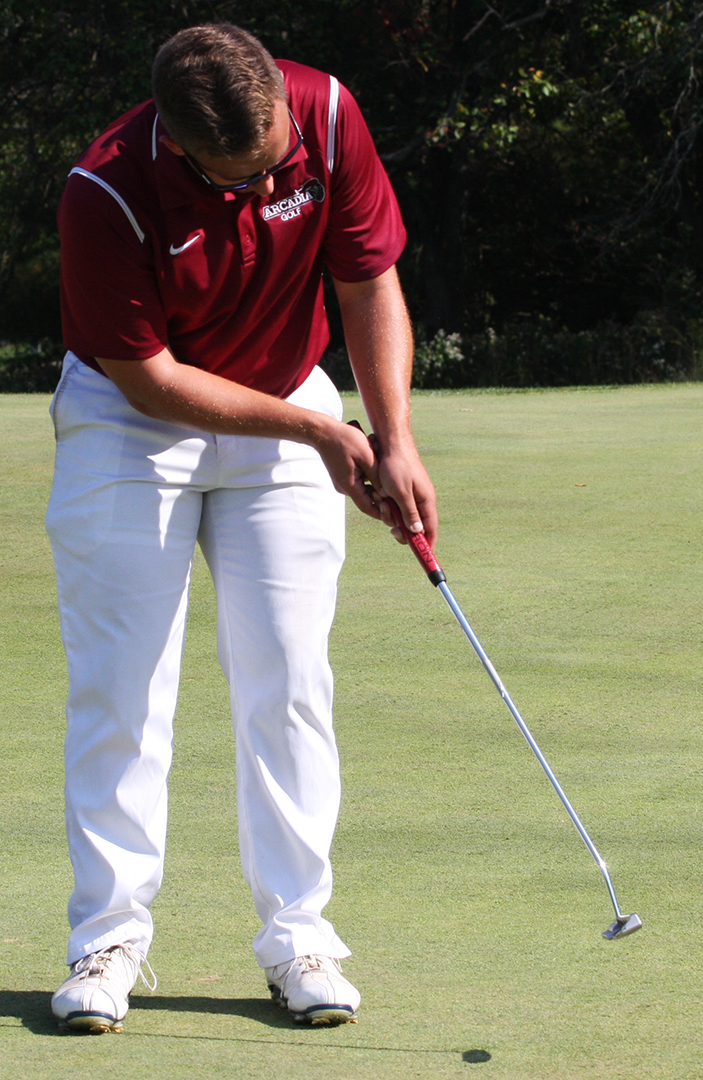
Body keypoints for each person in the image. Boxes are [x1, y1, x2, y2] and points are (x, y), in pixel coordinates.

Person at [45, 22, 436, 1033]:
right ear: (176, 146)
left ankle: (300, 937)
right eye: (235, 186)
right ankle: (110, 938)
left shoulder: (329, 116)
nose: (262, 199)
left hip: (283, 402)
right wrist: (316, 427)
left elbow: (365, 279)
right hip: (131, 428)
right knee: (125, 688)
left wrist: (392, 436)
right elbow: (150, 379)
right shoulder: (106, 189)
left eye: (273, 174)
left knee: (291, 676)